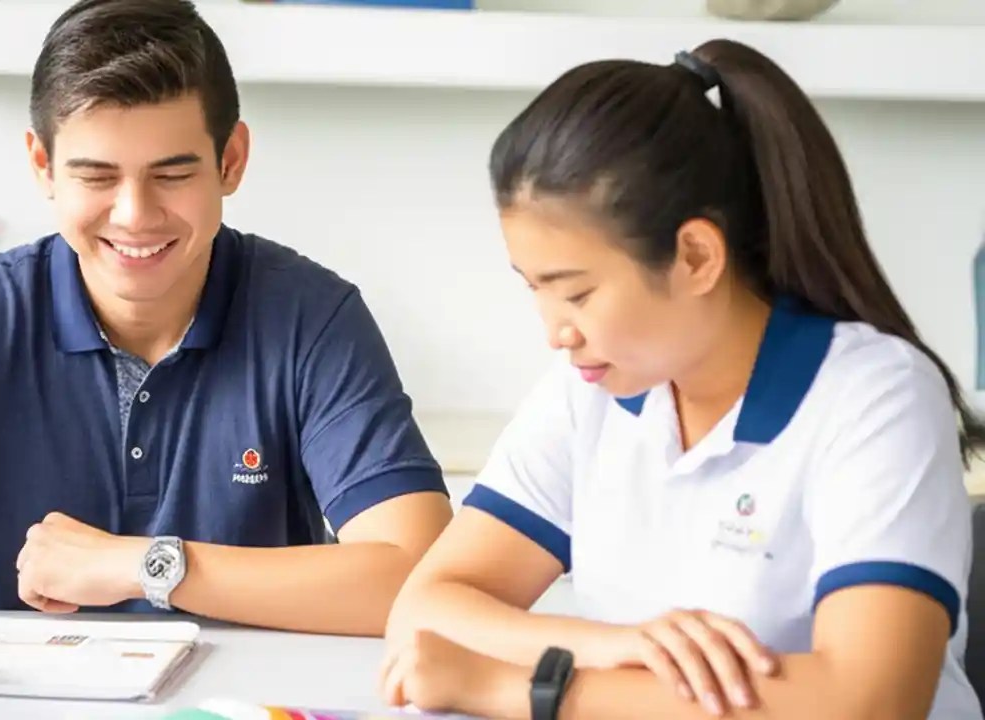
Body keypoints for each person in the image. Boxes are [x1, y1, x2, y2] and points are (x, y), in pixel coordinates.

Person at [0, 0, 453, 664]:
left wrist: (143, 564)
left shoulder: (311, 319)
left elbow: (419, 576)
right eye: (97, 176)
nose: (135, 215)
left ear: (230, 161)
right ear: (43, 166)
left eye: (172, 174)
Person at [380, 39, 984, 720]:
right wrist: (615, 647)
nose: (555, 330)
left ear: (696, 256)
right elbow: (424, 611)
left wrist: (526, 688)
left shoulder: (876, 397)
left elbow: (866, 699)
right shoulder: (591, 389)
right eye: (535, 290)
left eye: (576, 294)